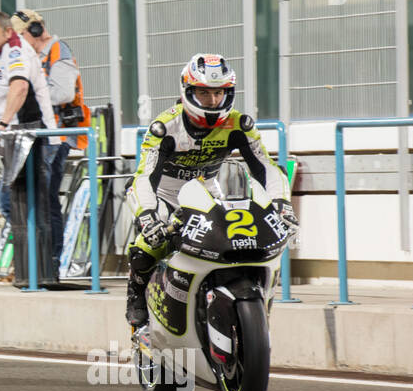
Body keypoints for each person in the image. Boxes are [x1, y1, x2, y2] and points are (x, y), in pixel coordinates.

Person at [125, 53, 297, 329]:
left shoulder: (240, 124)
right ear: (188, 91)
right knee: (149, 245)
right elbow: (144, 175)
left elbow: (266, 167)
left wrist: (281, 203)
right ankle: (136, 292)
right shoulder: (164, 127)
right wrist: (147, 215)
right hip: (166, 196)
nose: (213, 100)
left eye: (218, 93)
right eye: (204, 93)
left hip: (211, 196)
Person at [0, 11, 60, 288]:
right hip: (14, 138)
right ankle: (27, 270)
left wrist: (4, 122)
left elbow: (19, 87)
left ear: (8, 32)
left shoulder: (16, 49)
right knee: (15, 205)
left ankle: (40, 271)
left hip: (32, 135)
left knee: (31, 206)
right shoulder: (0, 55)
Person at [11, 10, 91, 273]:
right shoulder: (33, 56)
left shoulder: (59, 51)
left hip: (56, 137)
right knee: (32, 199)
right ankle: (36, 262)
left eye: (21, 36)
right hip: (39, 136)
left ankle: (51, 262)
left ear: (35, 31)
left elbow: (64, 93)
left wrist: (29, 94)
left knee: (46, 200)